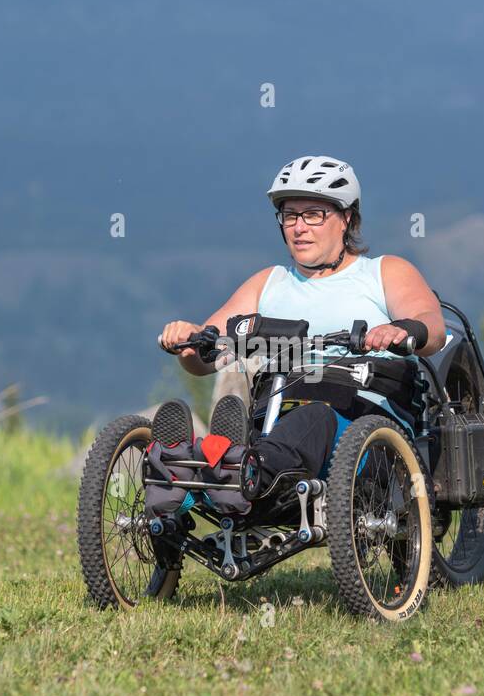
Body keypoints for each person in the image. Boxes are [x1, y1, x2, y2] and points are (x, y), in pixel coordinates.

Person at [157, 153, 447, 489]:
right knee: (270, 424)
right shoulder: (268, 283)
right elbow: (208, 356)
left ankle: (237, 472)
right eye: (290, 215)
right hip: (277, 419)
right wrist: (190, 340)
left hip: (368, 430)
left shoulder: (382, 272)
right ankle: (181, 479)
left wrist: (400, 329)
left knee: (313, 416)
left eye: (313, 215)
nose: (298, 227)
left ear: (347, 219)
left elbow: (433, 326)